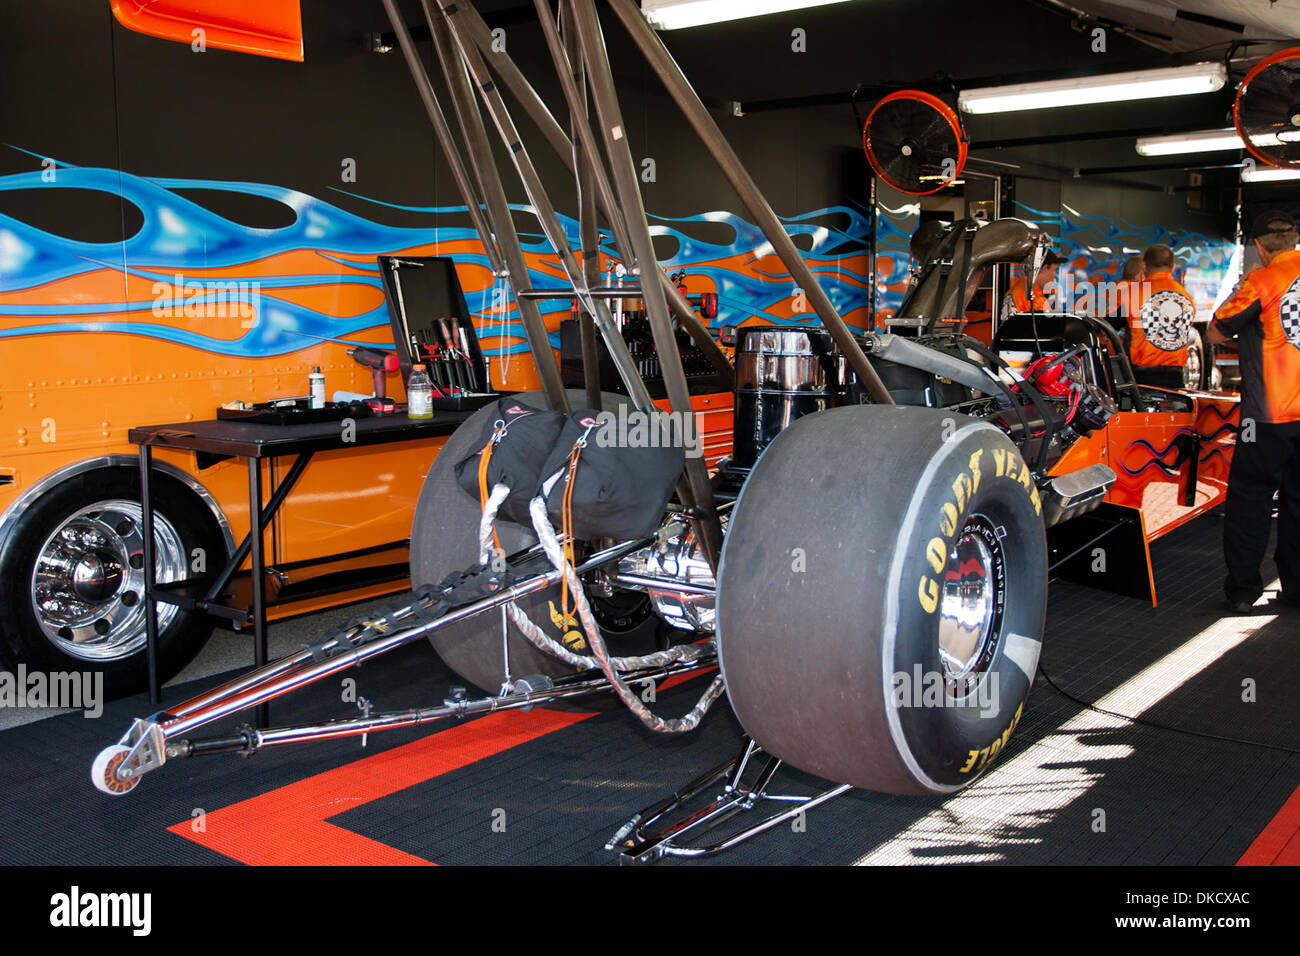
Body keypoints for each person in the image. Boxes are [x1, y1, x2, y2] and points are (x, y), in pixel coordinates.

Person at [1207, 211, 1300, 613]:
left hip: (1268, 416)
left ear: (1260, 247)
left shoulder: (1262, 279)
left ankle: (1244, 592)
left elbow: (1216, 330)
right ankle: (1296, 590)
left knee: (1250, 500)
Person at [1129, 244, 1196, 388]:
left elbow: (1108, 325)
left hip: (1141, 379)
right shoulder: (1186, 296)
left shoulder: (1133, 294)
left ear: (1144, 265)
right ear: (1173, 267)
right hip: (1175, 378)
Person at [1001, 250, 1063, 321]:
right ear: (1045, 268)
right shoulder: (1027, 295)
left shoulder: (1029, 288)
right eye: (1054, 270)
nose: (1055, 275)